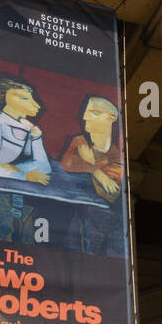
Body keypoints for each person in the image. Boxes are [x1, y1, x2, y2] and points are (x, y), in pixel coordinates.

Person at [0, 74, 51, 240]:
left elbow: (44, 168)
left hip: (7, 190)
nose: (34, 104)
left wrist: (36, 137)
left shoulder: (23, 127)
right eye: (24, 98)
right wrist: (25, 175)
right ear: (4, 98)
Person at [59, 95, 124, 254]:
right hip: (79, 215)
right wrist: (96, 171)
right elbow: (67, 163)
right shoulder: (80, 142)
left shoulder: (118, 156)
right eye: (86, 112)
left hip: (109, 222)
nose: (85, 117)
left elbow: (111, 191)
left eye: (94, 113)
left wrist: (91, 164)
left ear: (111, 118)